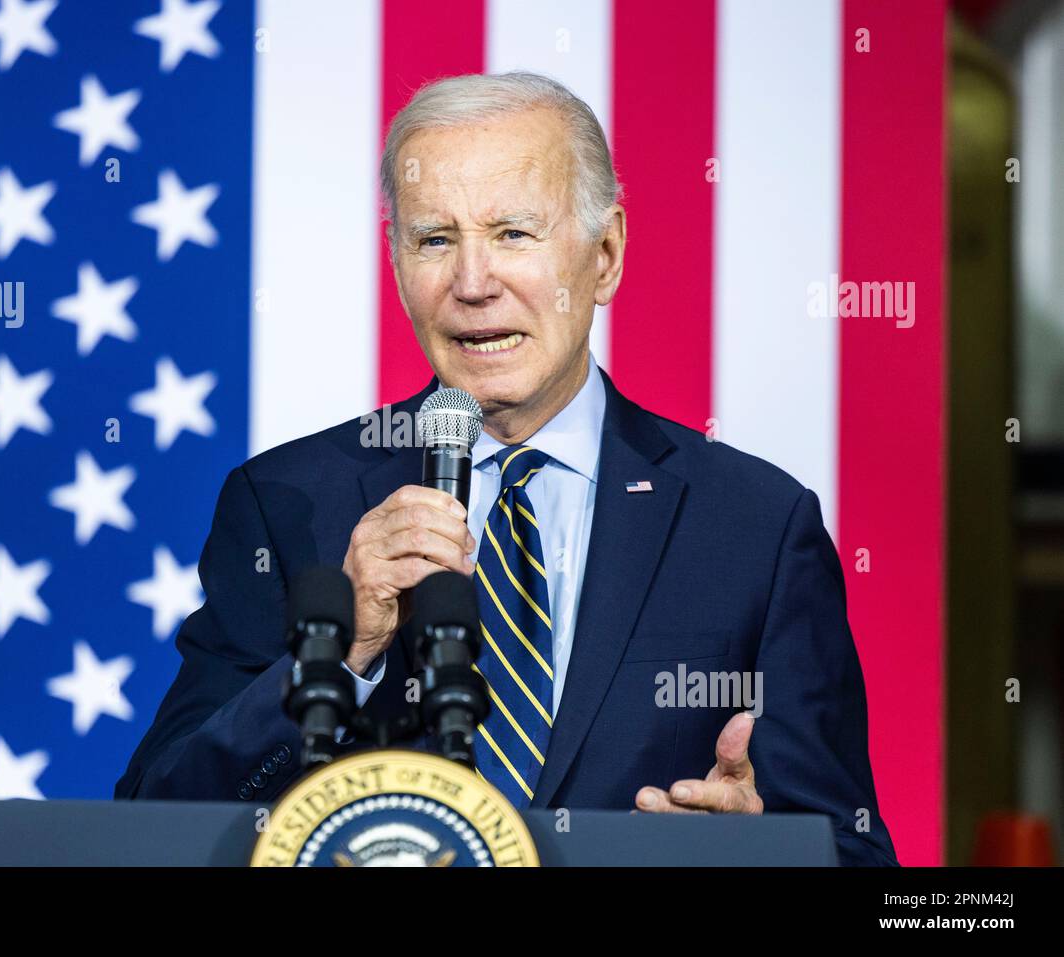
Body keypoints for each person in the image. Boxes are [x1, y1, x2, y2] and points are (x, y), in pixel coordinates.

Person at [116, 71, 898, 867]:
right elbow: (156, 823)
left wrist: (760, 853)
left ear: (606, 255)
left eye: (514, 234)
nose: (473, 284)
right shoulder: (286, 508)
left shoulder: (755, 526)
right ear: (396, 266)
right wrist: (340, 653)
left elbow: (856, 852)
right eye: (435, 239)